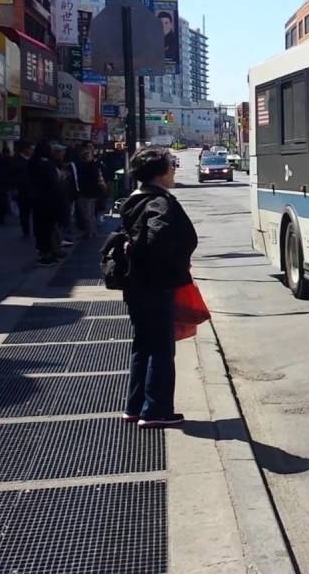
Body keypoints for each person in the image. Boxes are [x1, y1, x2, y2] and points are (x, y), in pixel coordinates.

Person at [120, 145, 198, 428]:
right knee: (162, 349)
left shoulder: (135, 198)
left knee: (144, 344)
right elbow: (157, 237)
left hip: (137, 285)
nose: (174, 170)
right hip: (156, 285)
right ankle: (156, 411)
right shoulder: (159, 202)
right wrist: (168, 262)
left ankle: (135, 406)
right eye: (170, 165)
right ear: (160, 172)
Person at [29, 142, 66, 265]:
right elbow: (54, 184)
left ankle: (47, 252)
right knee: (48, 228)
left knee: (42, 229)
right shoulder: (46, 164)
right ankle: (47, 255)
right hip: (49, 201)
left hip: (38, 201)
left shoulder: (32, 163)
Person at [74, 143, 104, 239]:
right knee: (90, 213)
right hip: (91, 192)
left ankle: (90, 232)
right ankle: (92, 231)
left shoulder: (86, 166)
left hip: (86, 192)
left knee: (87, 213)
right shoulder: (94, 165)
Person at [10, 141, 34, 239]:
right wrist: (14, 188)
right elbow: (12, 175)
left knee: (36, 211)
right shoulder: (16, 160)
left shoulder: (33, 160)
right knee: (24, 212)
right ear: (25, 149)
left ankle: (36, 230)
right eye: (30, 149)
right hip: (22, 190)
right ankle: (26, 231)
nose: (32, 151)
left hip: (33, 189)